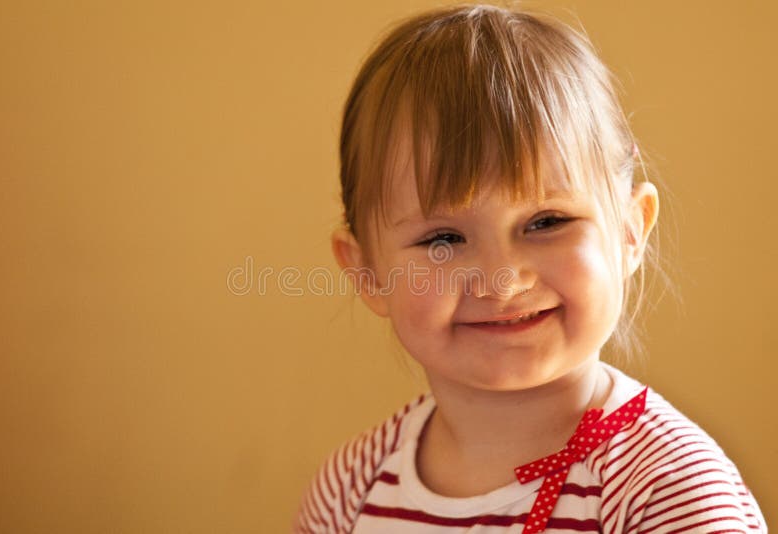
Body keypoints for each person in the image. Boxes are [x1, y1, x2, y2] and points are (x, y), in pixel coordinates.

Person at [294, 4, 766, 533]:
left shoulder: (666, 490)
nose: (504, 279)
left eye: (547, 221)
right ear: (368, 275)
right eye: (444, 238)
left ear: (630, 231)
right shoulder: (349, 492)